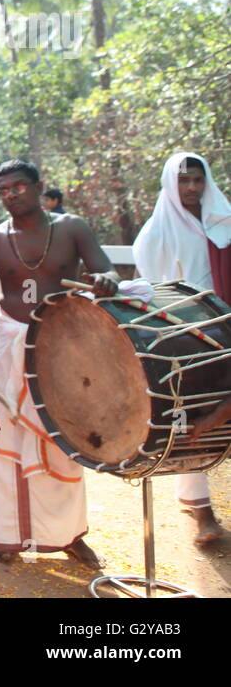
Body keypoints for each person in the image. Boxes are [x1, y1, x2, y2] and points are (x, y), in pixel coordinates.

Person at [0, 159, 119, 569]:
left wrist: (107, 280)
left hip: (62, 348)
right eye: (4, 190)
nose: (11, 194)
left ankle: (70, 535)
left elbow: (105, 269)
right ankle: (10, 535)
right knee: (6, 439)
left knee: (63, 441)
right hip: (8, 344)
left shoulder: (72, 229)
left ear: (38, 185)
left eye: (19, 186)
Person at [133, 152, 231, 544]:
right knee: (193, 418)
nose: (192, 188)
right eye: (184, 181)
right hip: (189, 334)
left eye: (198, 180)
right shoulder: (155, 233)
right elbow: (152, 291)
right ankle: (200, 508)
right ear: (170, 185)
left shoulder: (224, 222)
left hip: (229, 324)